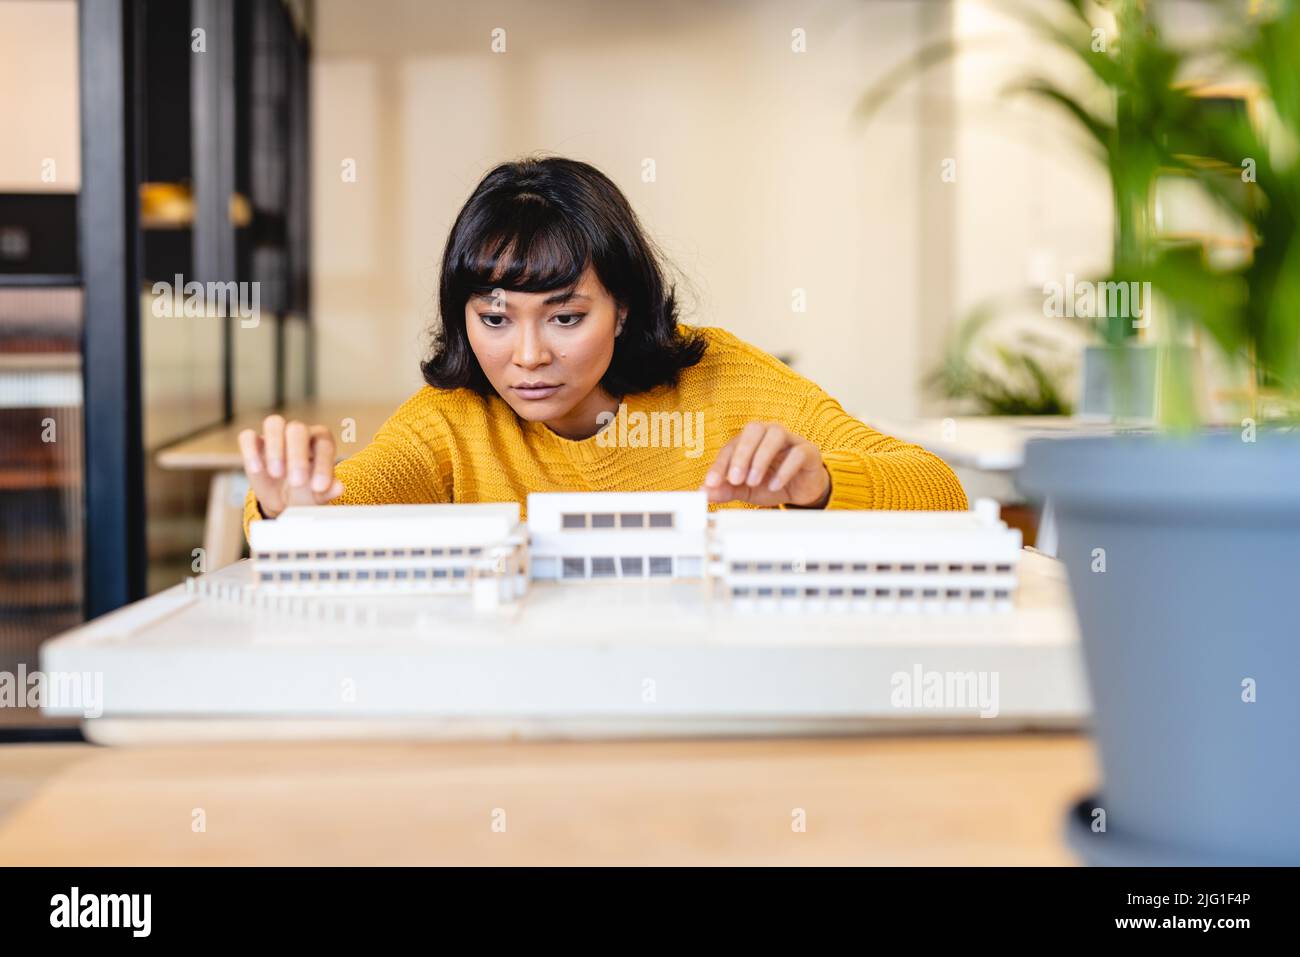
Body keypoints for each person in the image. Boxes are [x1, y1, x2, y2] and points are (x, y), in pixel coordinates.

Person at [239, 156, 966, 535]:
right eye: (494, 319)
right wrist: (293, 513)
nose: (525, 355)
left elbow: (942, 493)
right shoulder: (454, 421)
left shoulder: (725, 382)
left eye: (564, 317)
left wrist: (820, 487)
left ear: (622, 308)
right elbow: (363, 497)